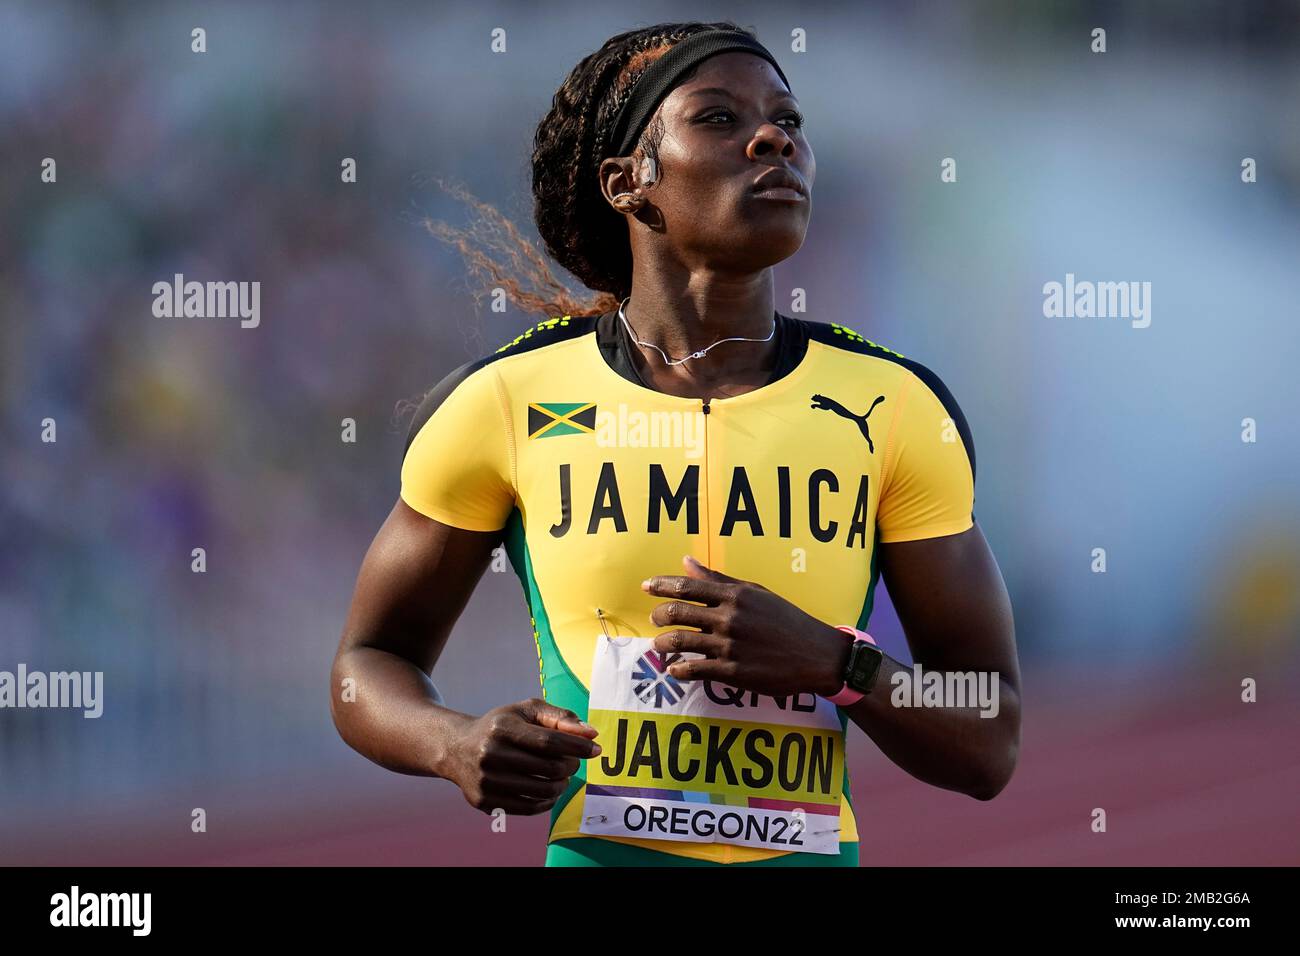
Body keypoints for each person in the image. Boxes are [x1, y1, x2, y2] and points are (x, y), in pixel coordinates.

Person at [330, 20, 1020, 867]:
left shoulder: (895, 406)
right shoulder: (507, 400)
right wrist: (454, 742)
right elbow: (368, 663)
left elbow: (991, 736)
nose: (774, 138)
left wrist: (839, 664)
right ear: (629, 182)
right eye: (720, 119)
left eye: (789, 123)